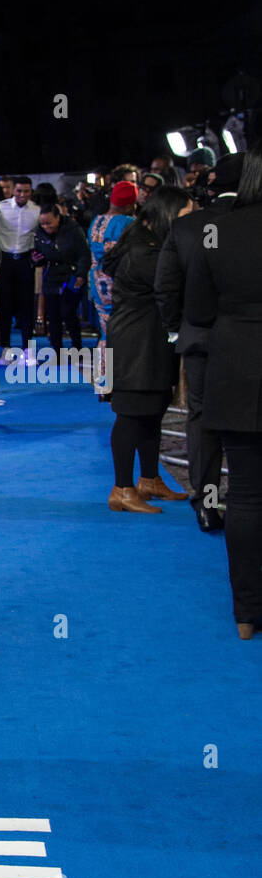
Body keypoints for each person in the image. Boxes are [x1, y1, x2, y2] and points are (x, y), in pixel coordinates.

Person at [182, 139, 262, 637]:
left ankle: (247, 613)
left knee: (247, 496)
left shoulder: (214, 230)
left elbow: (197, 311)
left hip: (232, 365)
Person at [155, 153, 242, 533]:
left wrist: (180, 330)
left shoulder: (186, 228)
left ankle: (207, 503)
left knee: (204, 421)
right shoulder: (250, 223)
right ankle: (246, 503)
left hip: (199, 341)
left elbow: (165, 288)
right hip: (246, 341)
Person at [102, 185, 195, 514]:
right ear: (168, 214)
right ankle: (123, 489)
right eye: (186, 214)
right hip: (135, 344)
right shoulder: (145, 251)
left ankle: (150, 479)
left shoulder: (149, 241)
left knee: (152, 411)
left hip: (147, 340)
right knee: (130, 414)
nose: (192, 219)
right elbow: (175, 288)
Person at [0, 176, 40, 354]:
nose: (22, 194)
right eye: (19, 191)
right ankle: (5, 348)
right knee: (4, 306)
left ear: (30, 191)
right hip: (4, 261)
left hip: (26, 261)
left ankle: (28, 349)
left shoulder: (37, 210)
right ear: (12, 191)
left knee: (27, 306)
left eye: (26, 191)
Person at [32, 202, 91, 355]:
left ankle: (77, 346)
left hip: (71, 274)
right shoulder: (39, 233)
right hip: (52, 275)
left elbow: (84, 254)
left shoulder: (74, 230)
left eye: (49, 223)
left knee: (68, 312)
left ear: (58, 218)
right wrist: (36, 259)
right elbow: (38, 256)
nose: (46, 227)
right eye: (43, 223)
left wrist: (81, 274)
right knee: (53, 314)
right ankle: (56, 350)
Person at [88, 179, 137, 342]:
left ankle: (104, 368)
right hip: (119, 284)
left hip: (97, 282)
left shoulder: (96, 221)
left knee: (106, 332)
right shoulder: (129, 223)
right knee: (124, 334)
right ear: (131, 204)